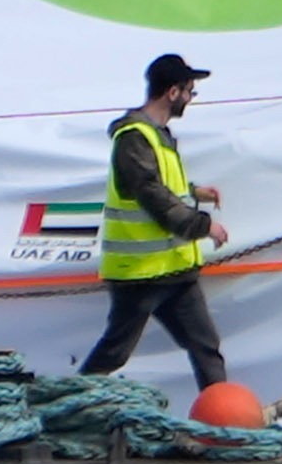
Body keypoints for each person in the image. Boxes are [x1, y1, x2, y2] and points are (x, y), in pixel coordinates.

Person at [79, 52, 232, 394]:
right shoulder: (134, 137)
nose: (191, 99)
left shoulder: (156, 135)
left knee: (206, 346)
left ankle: (222, 424)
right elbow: (153, 197)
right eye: (190, 91)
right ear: (172, 92)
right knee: (114, 353)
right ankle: (65, 413)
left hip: (174, 271)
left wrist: (194, 192)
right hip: (139, 275)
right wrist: (204, 225)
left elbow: (161, 186)